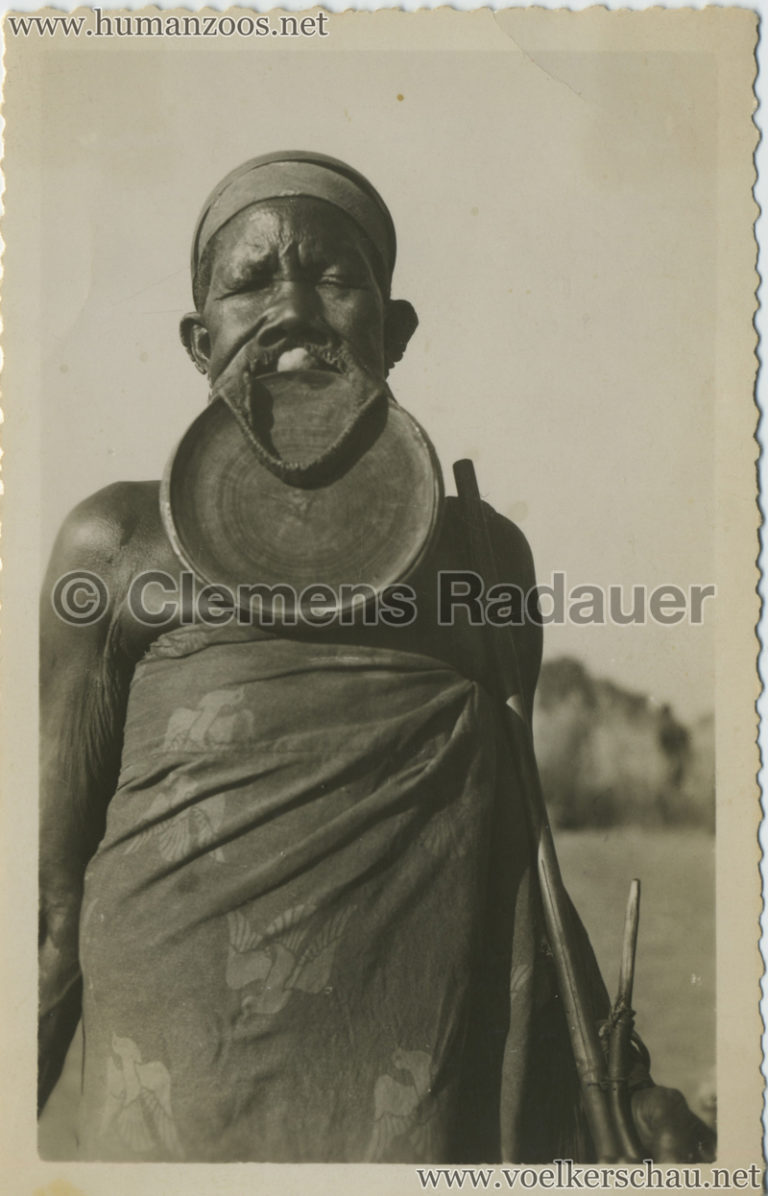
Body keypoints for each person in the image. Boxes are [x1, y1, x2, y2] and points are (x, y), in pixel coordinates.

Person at [39, 152, 714, 1164]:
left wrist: (624, 1080)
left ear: (393, 333)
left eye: (335, 276)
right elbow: (48, 902)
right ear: (199, 339)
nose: (294, 307)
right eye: (251, 280)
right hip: (171, 1125)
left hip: (418, 1103)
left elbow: (520, 841)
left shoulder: (482, 554)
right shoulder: (116, 542)